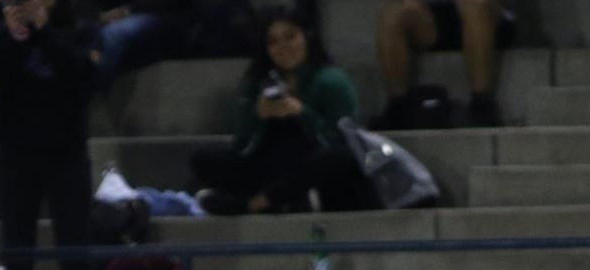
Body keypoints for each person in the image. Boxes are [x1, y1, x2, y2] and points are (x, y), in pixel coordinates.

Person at [0, 0, 99, 270]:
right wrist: (15, 37)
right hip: (18, 156)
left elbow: (81, 79)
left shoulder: (78, 27)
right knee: (17, 252)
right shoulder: (1, 38)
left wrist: (44, 31)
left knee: (75, 249)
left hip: (67, 153)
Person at [188, 9, 371, 217]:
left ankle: (253, 205)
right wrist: (258, 116)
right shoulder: (258, 83)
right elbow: (240, 145)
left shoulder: (332, 80)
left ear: (307, 37)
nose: (283, 47)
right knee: (203, 157)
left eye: (290, 37)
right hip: (272, 170)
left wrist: (303, 113)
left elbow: (344, 140)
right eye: (273, 42)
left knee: (336, 159)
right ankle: (284, 200)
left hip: (315, 170)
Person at [371, 0, 514, 129]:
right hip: (434, 15)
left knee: (474, 3)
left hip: (489, 13)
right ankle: (398, 109)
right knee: (392, 13)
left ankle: (483, 106)